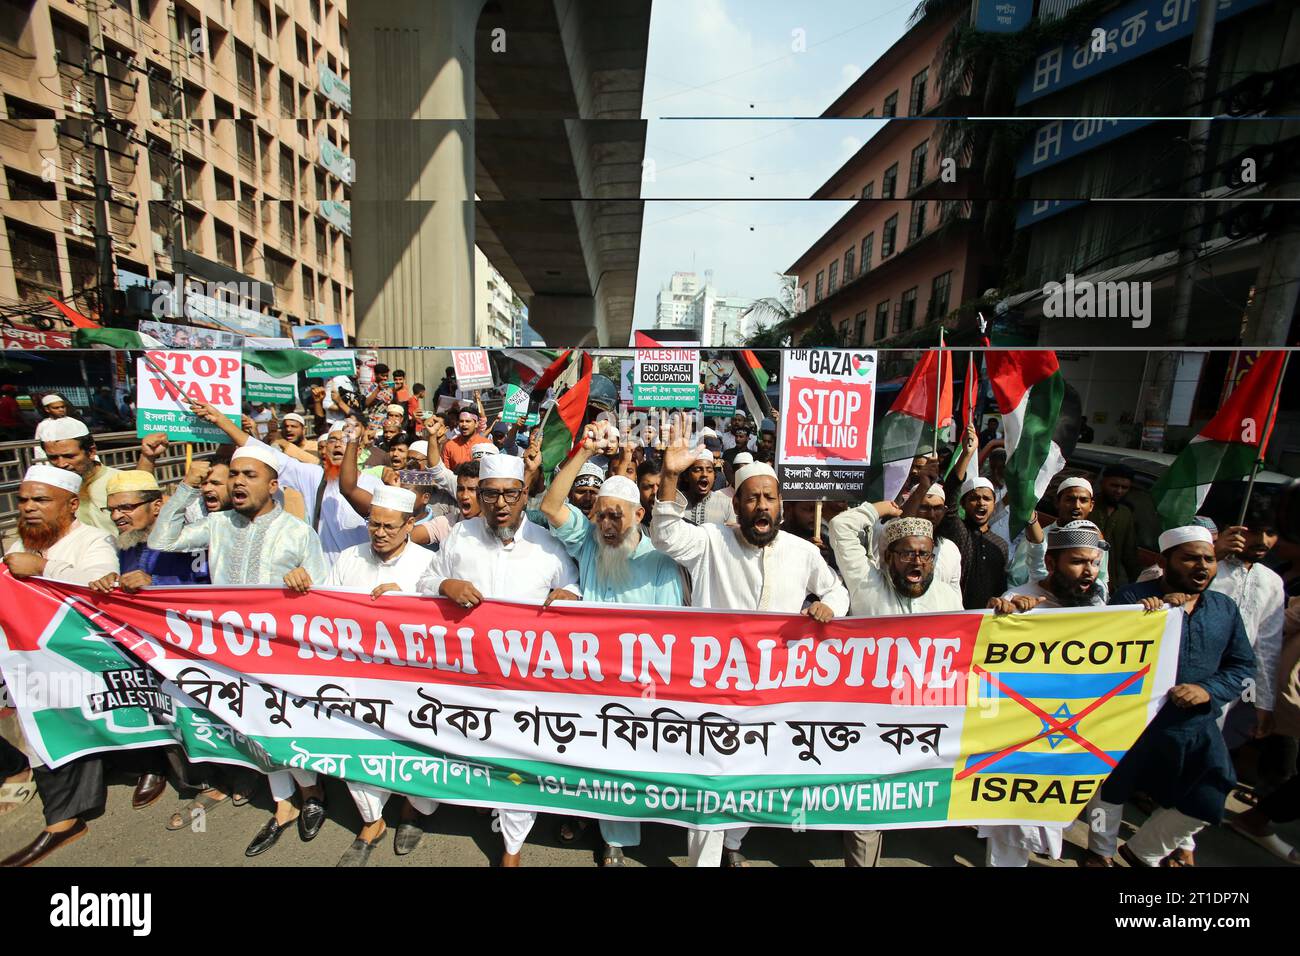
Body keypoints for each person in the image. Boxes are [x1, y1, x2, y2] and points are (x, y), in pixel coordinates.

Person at [651, 420, 848, 867]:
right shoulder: (711, 541)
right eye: (753, 497)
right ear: (736, 503)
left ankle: (734, 845)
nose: (762, 505)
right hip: (712, 689)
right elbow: (664, 536)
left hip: (772, 693)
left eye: (770, 497)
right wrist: (668, 477)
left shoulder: (803, 551)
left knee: (753, 777)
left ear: (780, 505)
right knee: (710, 783)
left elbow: (837, 590)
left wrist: (829, 607)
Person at [147, 444, 331, 858]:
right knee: (250, 728)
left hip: (281, 656)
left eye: (249, 475)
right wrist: (185, 487)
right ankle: (284, 805)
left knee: (285, 727)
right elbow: (163, 537)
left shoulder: (298, 532)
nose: (238, 482)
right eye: (234, 475)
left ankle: (313, 791)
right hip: (226, 652)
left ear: (273, 484)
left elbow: (325, 602)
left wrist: (305, 583)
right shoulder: (217, 525)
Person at [416, 453, 580, 866]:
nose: (501, 503)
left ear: (524, 495)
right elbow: (424, 581)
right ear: (479, 496)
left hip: (524, 683)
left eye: (510, 494)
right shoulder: (460, 536)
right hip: (465, 677)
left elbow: (574, 585)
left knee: (516, 760)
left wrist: (572, 595)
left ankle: (511, 845)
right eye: (491, 495)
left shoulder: (548, 545)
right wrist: (445, 583)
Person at [539, 421, 686, 865]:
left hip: (642, 679)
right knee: (598, 759)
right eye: (599, 514)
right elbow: (550, 503)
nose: (605, 524)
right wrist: (585, 451)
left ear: (639, 515)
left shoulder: (660, 562)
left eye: (615, 515)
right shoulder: (589, 544)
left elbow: (671, 629)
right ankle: (613, 841)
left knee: (633, 760)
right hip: (590, 677)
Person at [1085, 526, 1255, 868]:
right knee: (1108, 794)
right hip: (1133, 723)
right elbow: (1101, 656)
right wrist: (1151, 614)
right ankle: (1098, 849)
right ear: (1166, 561)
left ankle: (1145, 851)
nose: (1202, 566)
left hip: (1194, 725)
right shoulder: (1132, 600)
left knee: (1211, 791)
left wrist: (1207, 690)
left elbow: (1242, 666)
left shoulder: (1223, 608)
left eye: (1208, 558)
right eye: (1191, 558)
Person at [1, 465, 121, 867]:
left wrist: (44, 570)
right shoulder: (18, 540)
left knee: (51, 730)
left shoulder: (92, 539)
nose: (29, 508)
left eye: (40, 500)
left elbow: (105, 586)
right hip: (21, 656)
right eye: (23, 501)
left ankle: (63, 822)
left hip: (75, 662)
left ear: (71, 505)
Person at [982, 520, 1109, 867]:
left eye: (1094, 563)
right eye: (1079, 562)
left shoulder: (1099, 605)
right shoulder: (1019, 599)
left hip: (1070, 730)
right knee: (1010, 822)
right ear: (1051, 564)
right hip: (1021, 730)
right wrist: (1009, 617)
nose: (1089, 572)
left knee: (1049, 810)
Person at [323, 485, 439, 865]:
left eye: (390, 526)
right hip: (356, 682)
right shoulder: (347, 558)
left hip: (413, 686)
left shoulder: (429, 564)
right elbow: (322, 614)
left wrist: (410, 604)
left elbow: (443, 626)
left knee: (415, 749)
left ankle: (412, 810)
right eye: (374, 524)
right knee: (359, 750)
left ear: (410, 524)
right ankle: (372, 822)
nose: (380, 533)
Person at [1008, 477, 1111, 598]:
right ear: (1057, 502)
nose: (1076, 506)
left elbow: (1102, 580)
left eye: (1083, 500)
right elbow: (1016, 579)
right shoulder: (1038, 538)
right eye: (1070, 499)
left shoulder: (1096, 540)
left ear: (1091, 505)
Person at [1093, 464, 1140, 589]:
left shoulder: (1125, 513)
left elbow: (1129, 554)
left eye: (1124, 487)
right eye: (1114, 485)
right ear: (1103, 483)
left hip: (1112, 582)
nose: (1119, 491)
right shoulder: (1088, 507)